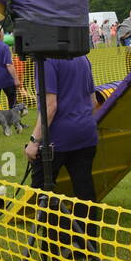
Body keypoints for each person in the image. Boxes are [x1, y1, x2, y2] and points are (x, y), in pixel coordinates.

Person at [24, 55, 99, 211]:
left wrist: (34, 141)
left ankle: (53, 234)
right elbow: (93, 102)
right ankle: (87, 234)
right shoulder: (82, 57)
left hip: (57, 139)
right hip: (86, 133)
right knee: (85, 191)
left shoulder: (46, 60)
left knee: (41, 192)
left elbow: (50, 106)